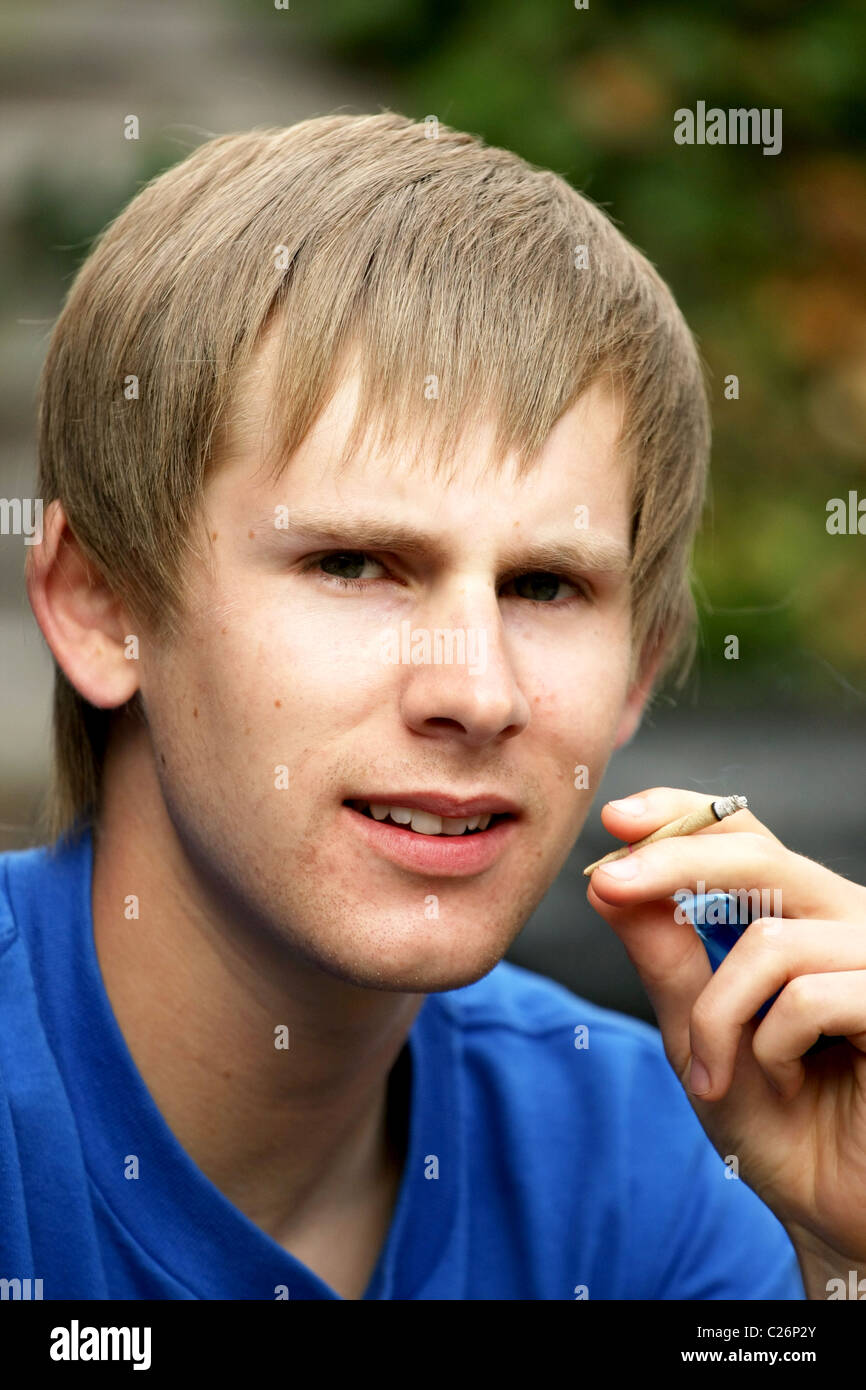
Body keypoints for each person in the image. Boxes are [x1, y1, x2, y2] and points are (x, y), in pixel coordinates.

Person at [3, 112, 862, 1302]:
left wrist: (840, 1259)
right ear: (102, 608)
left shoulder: (663, 1164)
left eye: (544, 586)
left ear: (639, 668)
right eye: (353, 564)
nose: (477, 691)